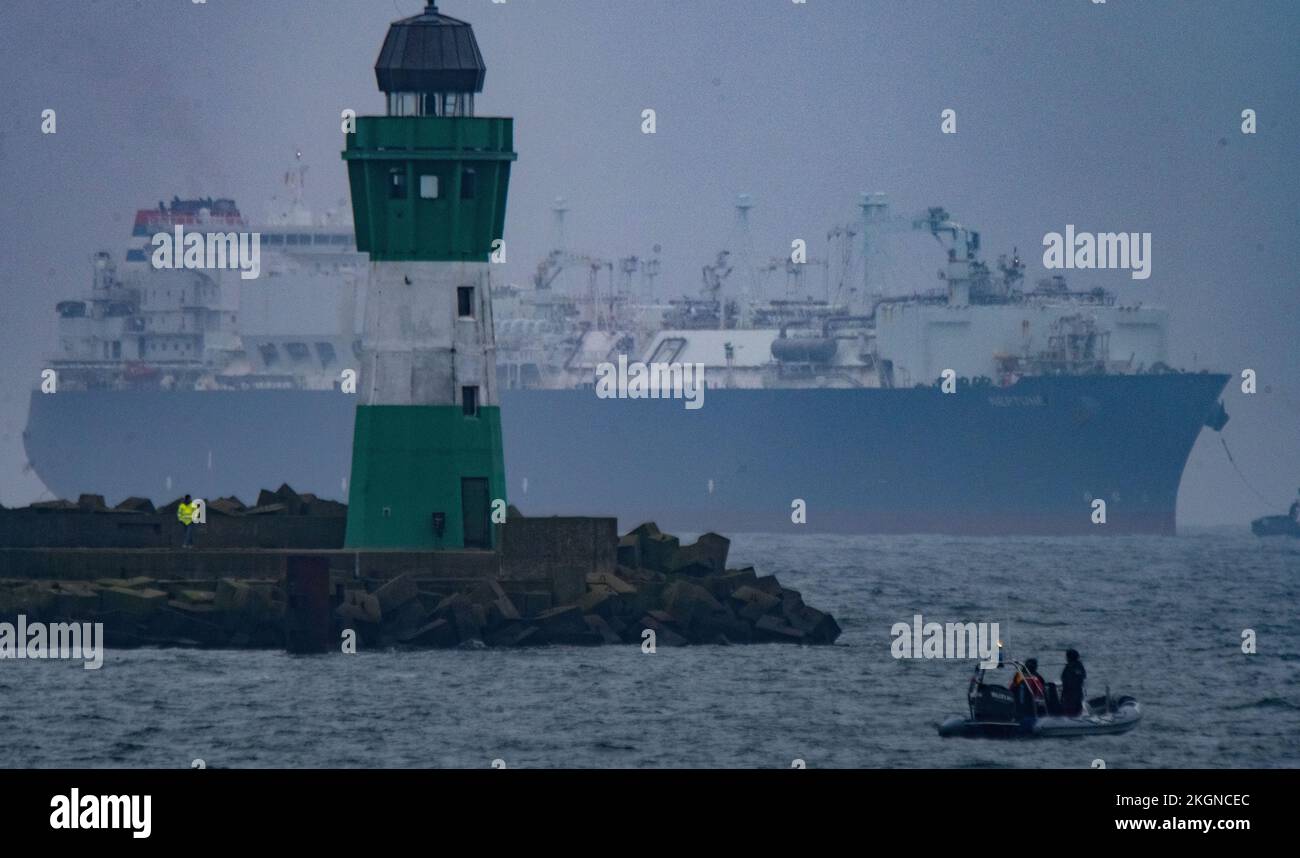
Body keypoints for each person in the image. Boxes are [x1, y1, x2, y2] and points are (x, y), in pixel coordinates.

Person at [1061, 649, 1087, 716]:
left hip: (1071, 694)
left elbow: (1068, 680)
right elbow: (1083, 676)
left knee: (1072, 710)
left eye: (1067, 657)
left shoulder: (1071, 667)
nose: (1066, 658)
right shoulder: (1079, 666)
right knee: (1076, 708)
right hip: (1077, 692)